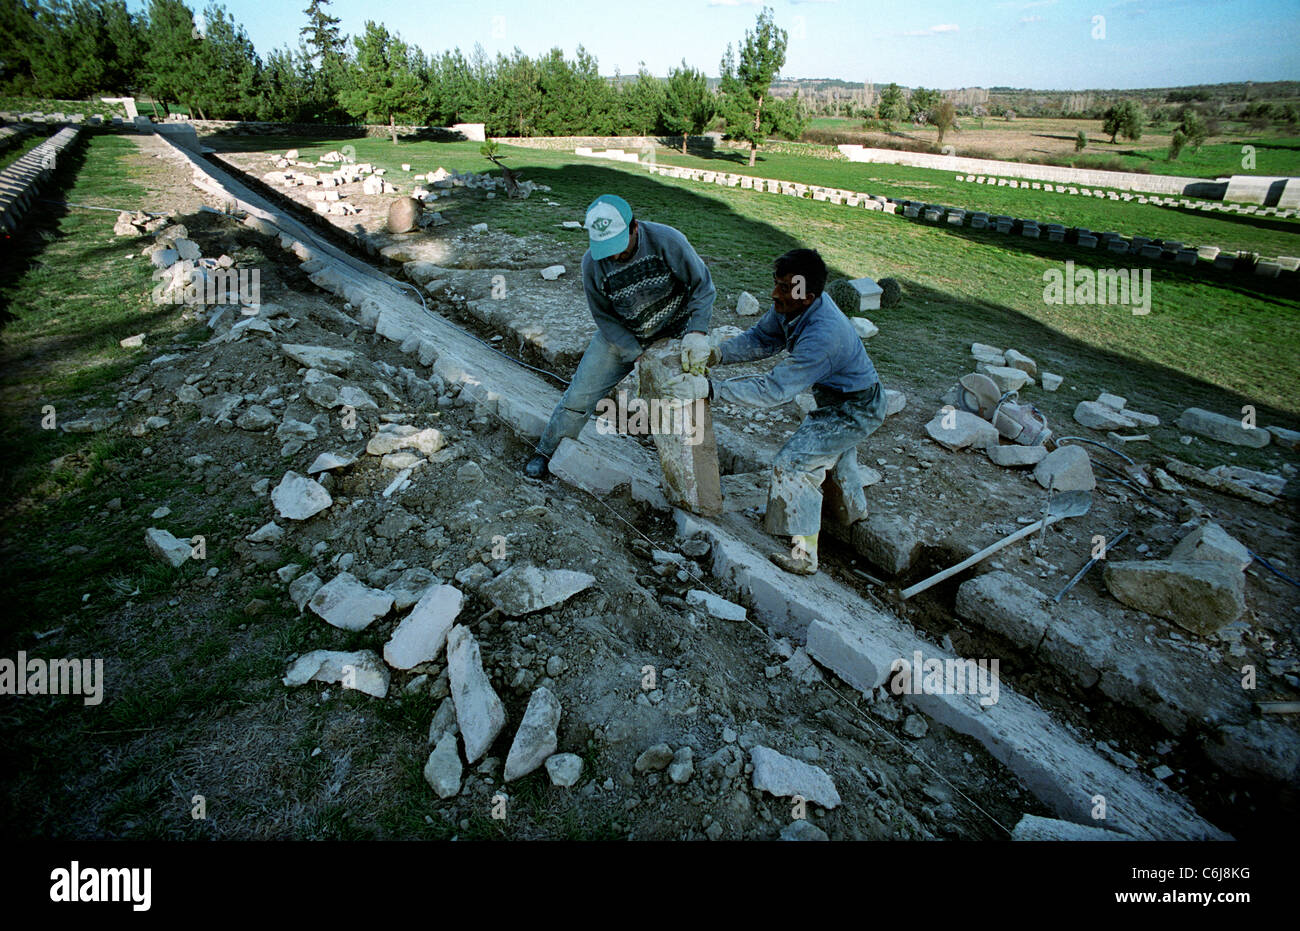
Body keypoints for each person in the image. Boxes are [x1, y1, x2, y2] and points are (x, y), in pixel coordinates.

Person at [691, 248, 885, 575]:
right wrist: (717, 355)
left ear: (807, 296)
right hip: (837, 395)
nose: (774, 293)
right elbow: (763, 338)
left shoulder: (824, 335)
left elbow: (774, 389)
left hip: (857, 407)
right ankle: (854, 514)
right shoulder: (790, 305)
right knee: (837, 455)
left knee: (793, 465)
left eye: (783, 288)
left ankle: (804, 556)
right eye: (776, 283)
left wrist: (713, 389)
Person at [524, 193, 716, 478]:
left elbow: (702, 286)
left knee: (686, 404)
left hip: (674, 334)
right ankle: (546, 451)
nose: (613, 256)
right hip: (621, 335)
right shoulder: (593, 264)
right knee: (579, 396)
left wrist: (697, 333)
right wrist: (635, 353)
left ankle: (693, 481)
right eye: (606, 249)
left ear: (634, 227)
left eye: (618, 246)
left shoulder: (667, 241)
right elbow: (603, 317)